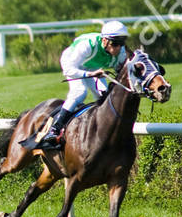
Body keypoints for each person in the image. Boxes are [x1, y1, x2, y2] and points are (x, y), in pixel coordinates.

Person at [36, 21, 130, 149]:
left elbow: (122, 72)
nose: (118, 48)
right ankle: (55, 129)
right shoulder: (87, 45)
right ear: (104, 40)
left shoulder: (121, 52)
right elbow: (69, 69)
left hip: (93, 67)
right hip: (72, 64)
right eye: (115, 43)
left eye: (121, 43)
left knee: (104, 95)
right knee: (79, 92)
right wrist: (90, 74)